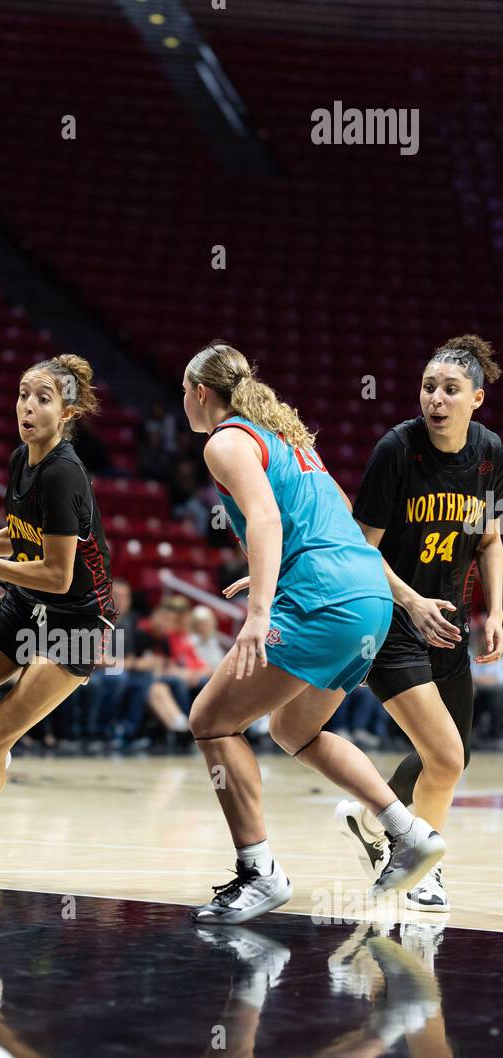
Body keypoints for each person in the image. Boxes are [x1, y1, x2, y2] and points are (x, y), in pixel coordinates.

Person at [182, 340, 443, 923]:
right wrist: (400, 596)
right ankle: (407, 834)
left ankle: (259, 874)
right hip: (367, 601)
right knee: (295, 729)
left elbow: (268, 520)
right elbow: (337, 529)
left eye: (184, 393)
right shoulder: (289, 441)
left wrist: (260, 613)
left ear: (201, 392)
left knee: (210, 719)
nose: (184, 403)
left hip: (321, 599)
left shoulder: (225, 440)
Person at [0, 354, 117, 880]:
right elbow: (20, 530)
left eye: (43, 398)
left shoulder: (65, 474)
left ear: (68, 411)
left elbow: (57, 573)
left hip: (79, 624)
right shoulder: (22, 459)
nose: (27, 407)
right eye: (23, 395)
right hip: (24, 607)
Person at [337, 335, 503, 910]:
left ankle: (369, 814)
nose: (436, 399)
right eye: (429, 387)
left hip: (450, 620)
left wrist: (496, 610)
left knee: (450, 753)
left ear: (476, 399)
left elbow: (490, 538)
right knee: (448, 758)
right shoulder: (396, 450)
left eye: (451, 390)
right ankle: (420, 863)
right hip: (390, 618)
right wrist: (410, 603)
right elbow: (363, 549)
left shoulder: (490, 453)